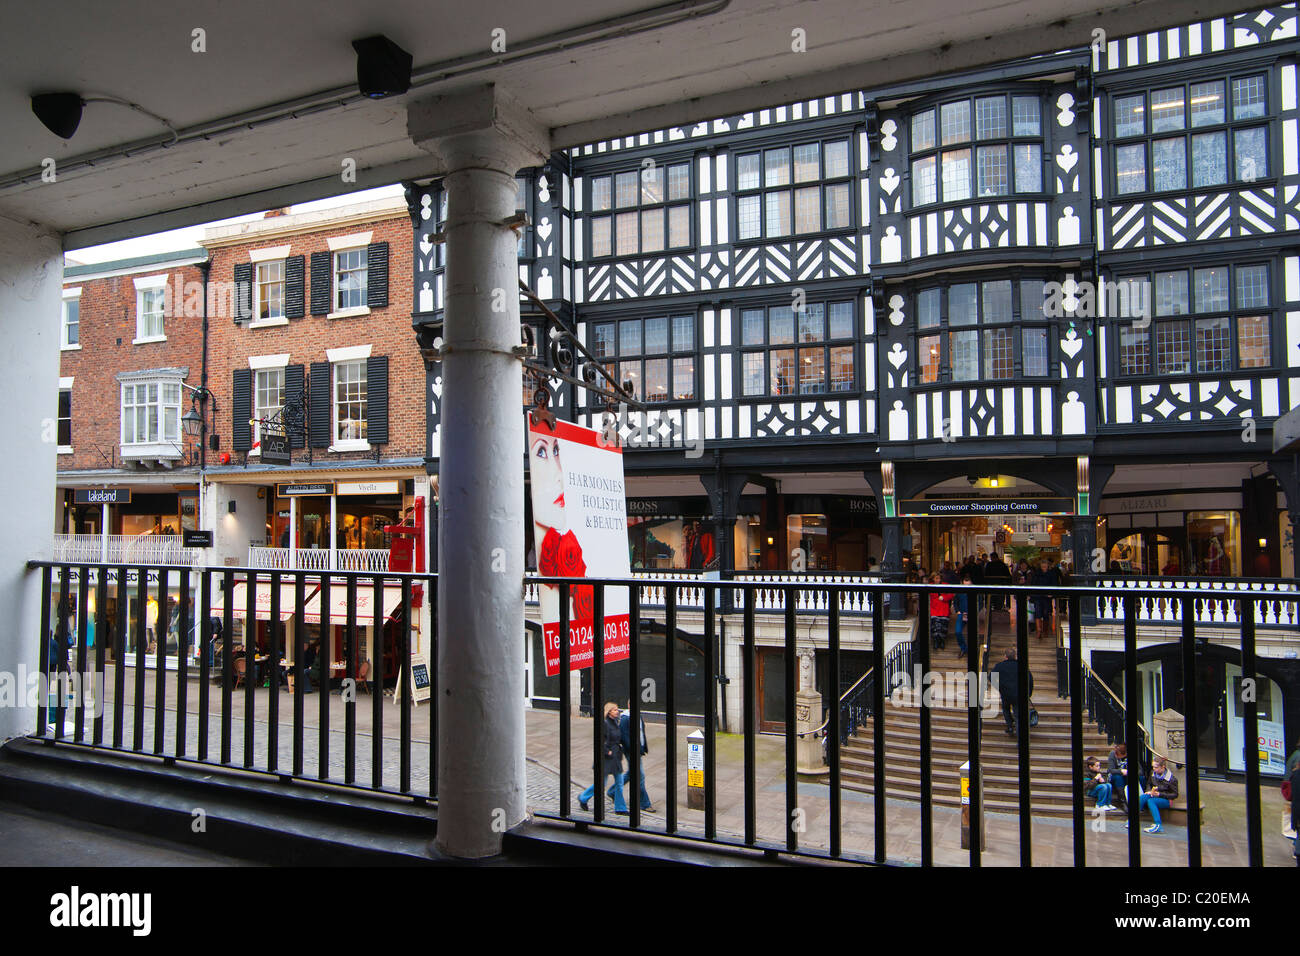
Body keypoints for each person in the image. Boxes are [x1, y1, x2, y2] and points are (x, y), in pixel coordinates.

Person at [579, 702, 628, 815]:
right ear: (610, 711)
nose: (617, 711)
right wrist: (607, 751)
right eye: (615, 710)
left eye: (617, 709)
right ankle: (583, 797)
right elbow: (600, 740)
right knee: (601, 783)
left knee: (619, 782)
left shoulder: (616, 722)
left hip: (615, 757)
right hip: (606, 758)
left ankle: (620, 808)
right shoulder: (605, 724)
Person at [608, 705, 654, 813]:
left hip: (639, 749)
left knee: (631, 773)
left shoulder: (638, 716)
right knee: (639, 775)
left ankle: (612, 791)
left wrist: (644, 747)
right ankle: (644, 803)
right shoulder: (625, 718)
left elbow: (641, 732)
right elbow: (624, 737)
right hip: (632, 751)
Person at [992, 647, 1031, 736]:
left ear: (1005, 656)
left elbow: (991, 677)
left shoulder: (1000, 666)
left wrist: (999, 687)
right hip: (1018, 694)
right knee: (1018, 715)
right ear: (1015, 656)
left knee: (1006, 709)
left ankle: (1010, 726)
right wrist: (1028, 693)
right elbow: (1029, 680)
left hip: (1006, 694)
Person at [1135, 757, 1178, 833]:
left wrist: (1159, 794)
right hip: (1154, 793)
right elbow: (1149, 783)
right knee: (1143, 797)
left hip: (1166, 800)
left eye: (1156, 767)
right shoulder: (1153, 773)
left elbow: (1175, 794)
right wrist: (1149, 791)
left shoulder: (1172, 779)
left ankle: (1158, 825)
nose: (1154, 769)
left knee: (1151, 801)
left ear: (1163, 767)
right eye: (1153, 767)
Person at [1030, 556, 1060, 640]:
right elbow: (1033, 584)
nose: (1044, 567)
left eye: (1045, 566)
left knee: (1046, 612)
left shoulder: (1051, 573)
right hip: (1038, 595)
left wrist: (1052, 593)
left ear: (1048, 566)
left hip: (1047, 596)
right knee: (1038, 612)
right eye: (1042, 566)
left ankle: (1045, 630)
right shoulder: (1037, 573)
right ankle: (1039, 630)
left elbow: (1055, 584)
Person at [928, 573, 953, 651]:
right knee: (935, 626)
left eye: (939, 578)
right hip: (934, 608)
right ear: (933, 579)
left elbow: (951, 594)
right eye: (936, 578)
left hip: (943, 608)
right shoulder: (930, 586)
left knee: (943, 626)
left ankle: (942, 641)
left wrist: (944, 597)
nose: (938, 580)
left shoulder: (946, 585)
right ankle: (936, 641)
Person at [1108, 742, 1132, 811]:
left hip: (1126, 777)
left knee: (1141, 777)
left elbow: (1140, 771)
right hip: (1114, 777)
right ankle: (1122, 801)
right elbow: (1111, 770)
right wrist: (1121, 771)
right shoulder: (1112, 754)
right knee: (1119, 777)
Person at [953, 572, 973, 655]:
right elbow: (955, 602)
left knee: (972, 633)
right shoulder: (959, 591)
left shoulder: (975, 591)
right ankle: (963, 648)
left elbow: (980, 602)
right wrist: (958, 611)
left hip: (971, 613)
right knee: (958, 631)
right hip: (961, 614)